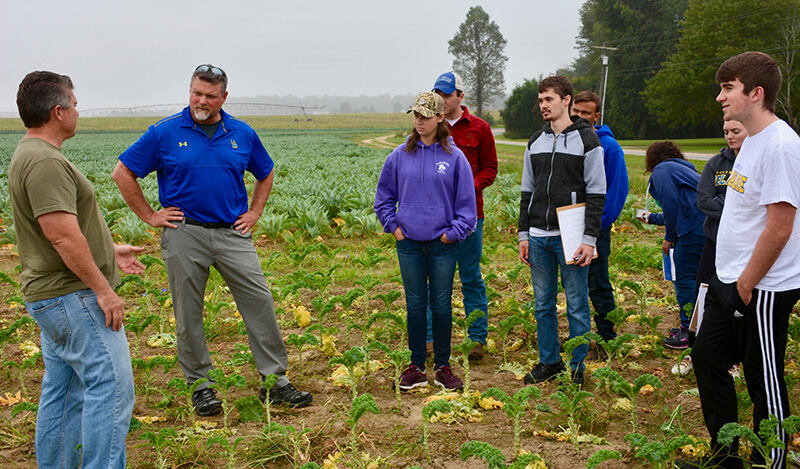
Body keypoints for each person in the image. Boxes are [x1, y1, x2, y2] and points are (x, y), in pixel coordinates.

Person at [112, 64, 312, 415]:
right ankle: (201, 386)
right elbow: (123, 171)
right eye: (196, 93)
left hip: (232, 233)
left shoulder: (242, 133)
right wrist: (150, 216)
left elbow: (265, 173)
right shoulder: (164, 132)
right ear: (190, 91)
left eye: (210, 95)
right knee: (188, 312)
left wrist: (255, 212)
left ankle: (274, 382)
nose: (201, 101)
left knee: (259, 302)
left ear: (224, 97)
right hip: (184, 233)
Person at [8, 71, 144, 468]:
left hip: (53, 297)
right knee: (112, 389)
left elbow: (60, 233)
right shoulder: (45, 162)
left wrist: (108, 250)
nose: (78, 111)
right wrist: (104, 288)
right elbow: (61, 236)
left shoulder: (30, 154)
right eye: (75, 103)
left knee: (65, 393)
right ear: (58, 111)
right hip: (73, 298)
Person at [685, 51, 800, 469]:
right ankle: (725, 455)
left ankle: (770, 461)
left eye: (727, 88)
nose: (720, 97)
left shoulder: (782, 146)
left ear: (756, 93)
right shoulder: (750, 143)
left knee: (762, 377)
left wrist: (747, 283)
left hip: (764, 286)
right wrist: (729, 279)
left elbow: (780, 226)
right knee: (706, 358)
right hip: (729, 279)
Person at [374, 92, 477, 391]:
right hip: (409, 244)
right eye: (415, 115)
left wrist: (452, 234)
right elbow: (383, 199)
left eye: (425, 116)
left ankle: (443, 367)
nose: (419, 121)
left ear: (440, 118)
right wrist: (393, 227)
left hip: (443, 245)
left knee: (442, 306)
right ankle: (416, 367)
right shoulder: (399, 156)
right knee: (416, 306)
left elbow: (467, 208)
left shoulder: (454, 158)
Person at [518, 76, 606, 386]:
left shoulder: (587, 141)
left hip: (571, 238)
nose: (543, 105)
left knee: (577, 303)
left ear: (566, 100)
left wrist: (589, 239)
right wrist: (523, 234)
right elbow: (527, 191)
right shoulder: (535, 141)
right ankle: (549, 362)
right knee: (542, 304)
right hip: (539, 238)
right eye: (540, 100)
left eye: (549, 100)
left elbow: (597, 194)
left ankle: (577, 367)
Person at [424, 71, 497, 361]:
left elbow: (490, 169)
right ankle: (430, 338)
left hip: (469, 218)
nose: (441, 99)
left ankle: (476, 337)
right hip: (435, 217)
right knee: (434, 279)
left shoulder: (479, 128)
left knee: (470, 276)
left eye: (446, 94)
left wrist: (467, 188)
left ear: (460, 97)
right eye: (437, 94)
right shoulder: (430, 128)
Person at [672, 120, 747, 376]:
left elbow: (753, 203)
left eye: (735, 131)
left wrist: (725, 201)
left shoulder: (754, 161)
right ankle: (695, 351)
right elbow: (704, 200)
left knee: (735, 301)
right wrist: (736, 207)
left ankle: (733, 360)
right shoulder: (716, 164)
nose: (729, 137)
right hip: (714, 243)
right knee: (702, 295)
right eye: (726, 132)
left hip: (743, 248)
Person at [571, 91, 629, 349]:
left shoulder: (609, 147)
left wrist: (596, 226)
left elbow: (616, 193)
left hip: (596, 229)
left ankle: (607, 337)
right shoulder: (567, 141)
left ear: (596, 116)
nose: (580, 116)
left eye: (586, 113)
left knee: (598, 284)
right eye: (577, 111)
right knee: (573, 285)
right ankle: (580, 338)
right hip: (568, 226)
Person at [639, 141, 705, 350]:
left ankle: (689, 331)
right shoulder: (685, 169)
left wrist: (669, 237)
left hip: (693, 230)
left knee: (684, 279)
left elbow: (671, 203)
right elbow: (680, 209)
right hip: (706, 226)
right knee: (700, 279)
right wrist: (651, 218)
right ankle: (699, 325)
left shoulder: (662, 170)